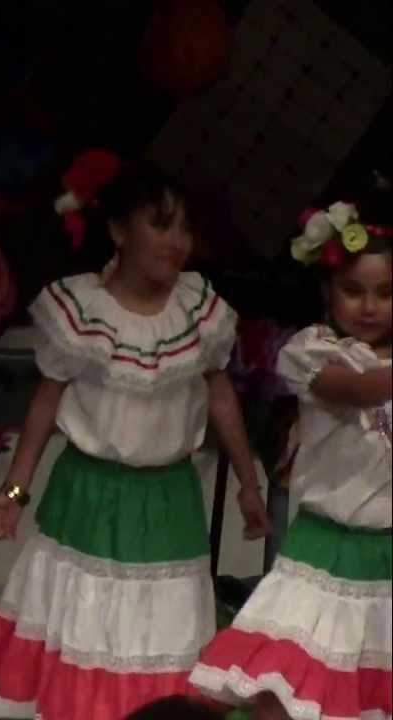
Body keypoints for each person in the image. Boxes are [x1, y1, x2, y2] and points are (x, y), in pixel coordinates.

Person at [0, 160, 270, 719]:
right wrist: (13, 494)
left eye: (183, 228)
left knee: (159, 629)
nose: (177, 241)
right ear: (118, 231)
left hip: (167, 499)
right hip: (90, 496)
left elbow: (222, 396)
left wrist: (248, 485)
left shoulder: (198, 309)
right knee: (84, 621)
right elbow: (46, 401)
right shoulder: (81, 310)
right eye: (161, 224)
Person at [190, 189, 392, 720]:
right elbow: (359, 390)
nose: (369, 306)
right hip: (323, 549)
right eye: (354, 291)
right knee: (285, 690)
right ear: (327, 290)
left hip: (388, 558)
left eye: (386, 293)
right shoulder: (314, 352)